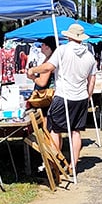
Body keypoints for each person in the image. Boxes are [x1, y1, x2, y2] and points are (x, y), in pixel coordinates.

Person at [27, 22, 97, 173]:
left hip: (63, 95)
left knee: (55, 130)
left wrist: (32, 70)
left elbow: (49, 67)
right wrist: (87, 96)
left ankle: (54, 165)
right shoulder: (90, 56)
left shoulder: (63, 50)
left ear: (69, 36)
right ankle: (73, 164)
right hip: (81, 97)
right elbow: (92, 80)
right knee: (76, 132)